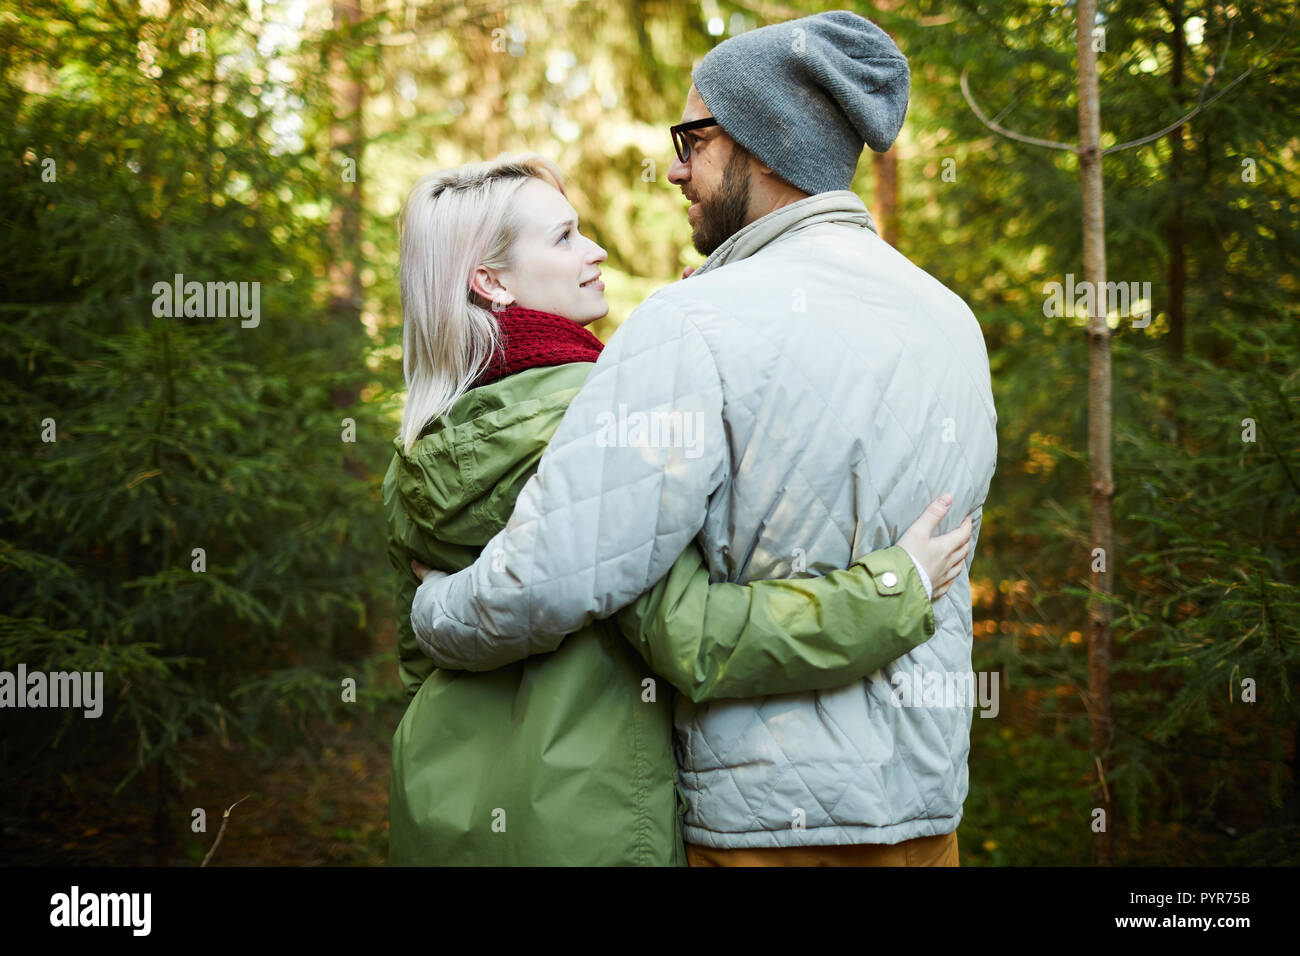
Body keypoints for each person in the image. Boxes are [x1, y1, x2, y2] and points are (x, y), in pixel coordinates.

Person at [410, 10, 999, 867]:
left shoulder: (692, 324)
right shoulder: (951, 320)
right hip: (926, 815)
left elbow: (552, 579)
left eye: (695, 138)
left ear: (764, 144)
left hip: (763, 827)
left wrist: (434, 612)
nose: (677, 169)